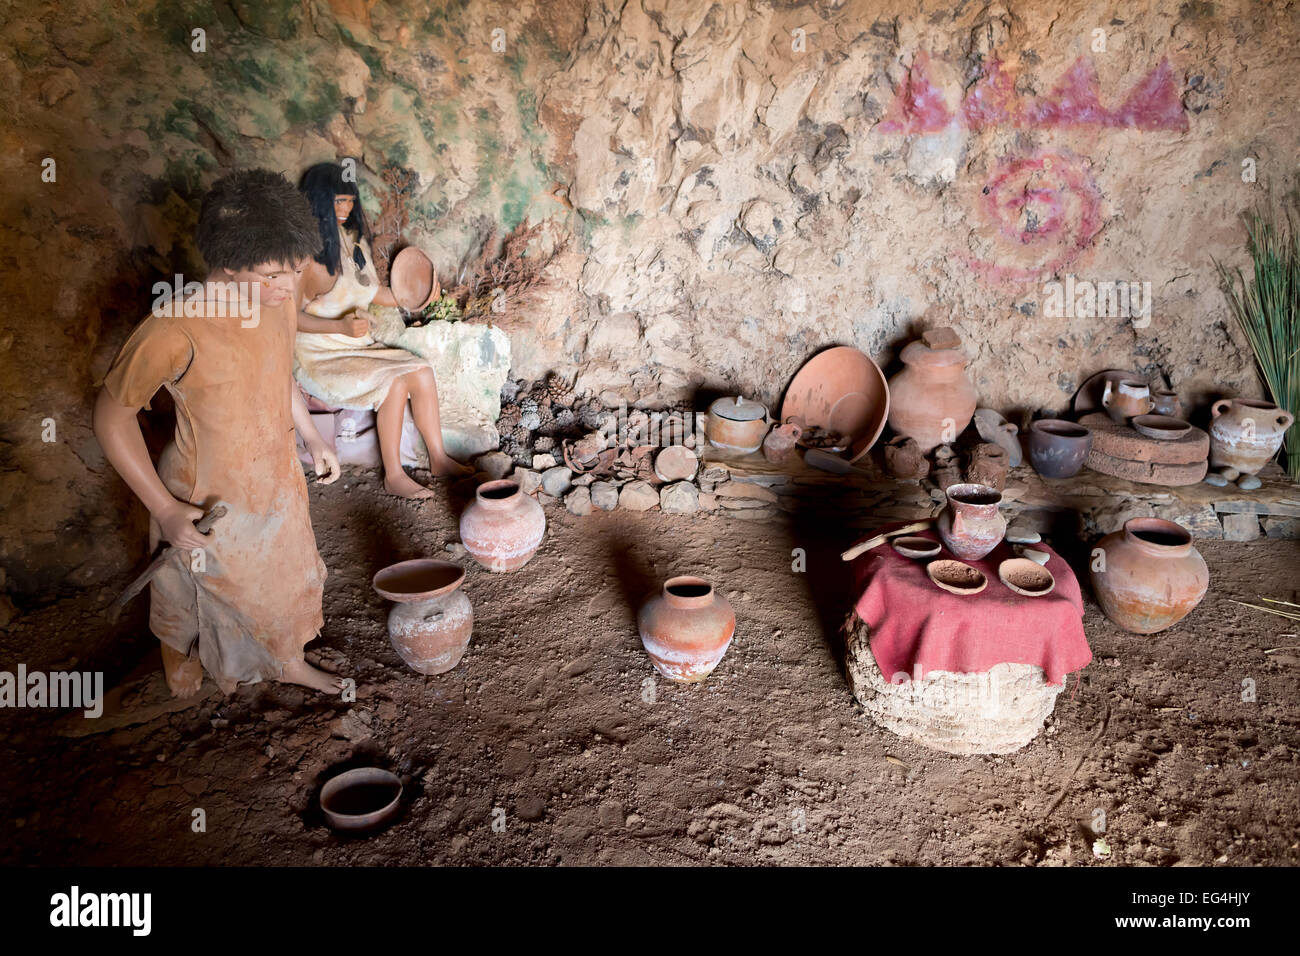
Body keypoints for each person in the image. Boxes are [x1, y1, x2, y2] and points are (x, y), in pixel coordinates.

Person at [93, 169, 348, 697]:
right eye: (272, 275)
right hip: (203, 486)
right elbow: (110, 417)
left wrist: (313, 437)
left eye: (294, 271)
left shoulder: (277, 302)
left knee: (278, 574)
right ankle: (176, 649)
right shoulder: (175, 326)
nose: (286, 287)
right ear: (228, 264)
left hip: (272, 472)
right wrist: (164, 509)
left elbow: (278, 375)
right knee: (189, 579)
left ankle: (286, 658)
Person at [294, 162, 471, 499]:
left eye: (349, 201)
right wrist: (340, 327)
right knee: (392, 381)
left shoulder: (352, 244)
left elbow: (372, 293)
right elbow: (289, 319)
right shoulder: (302, 254)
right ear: (317, 202)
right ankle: (393, 474)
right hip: (318, 356)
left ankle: (438, 458)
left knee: (420, 371)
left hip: (356, 345)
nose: (345, 209)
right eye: (336, 202)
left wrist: (414, 299)